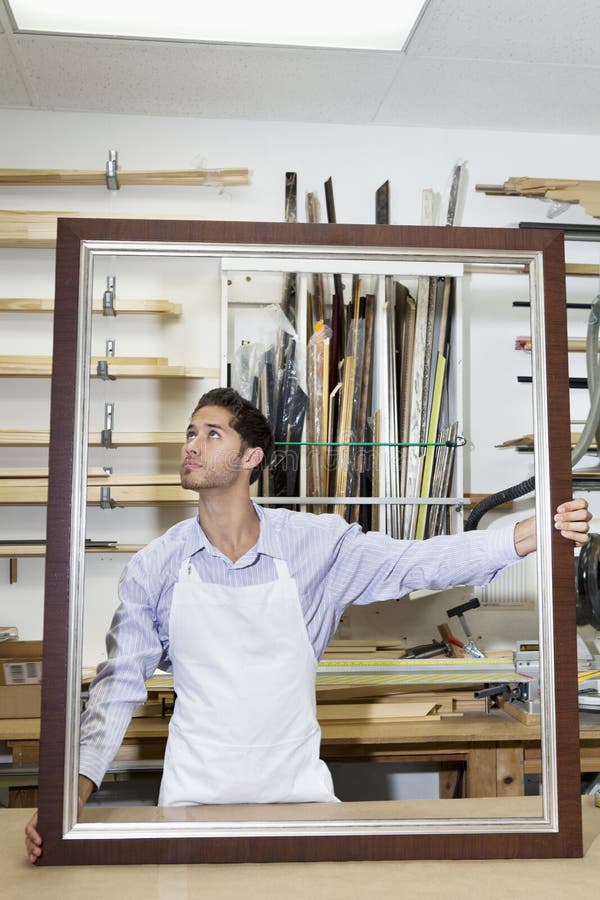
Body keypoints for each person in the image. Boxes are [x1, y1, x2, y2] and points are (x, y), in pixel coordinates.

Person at [25, 387, 591, 860]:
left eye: (212, 434)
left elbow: (415, 562)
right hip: (191, 802)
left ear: (252, 458)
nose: (192, 445)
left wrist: (528, 535)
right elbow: (117, 686)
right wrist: (65, 799)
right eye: (190, 433)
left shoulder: (315, 546)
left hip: (299, 799)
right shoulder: (156, 566)